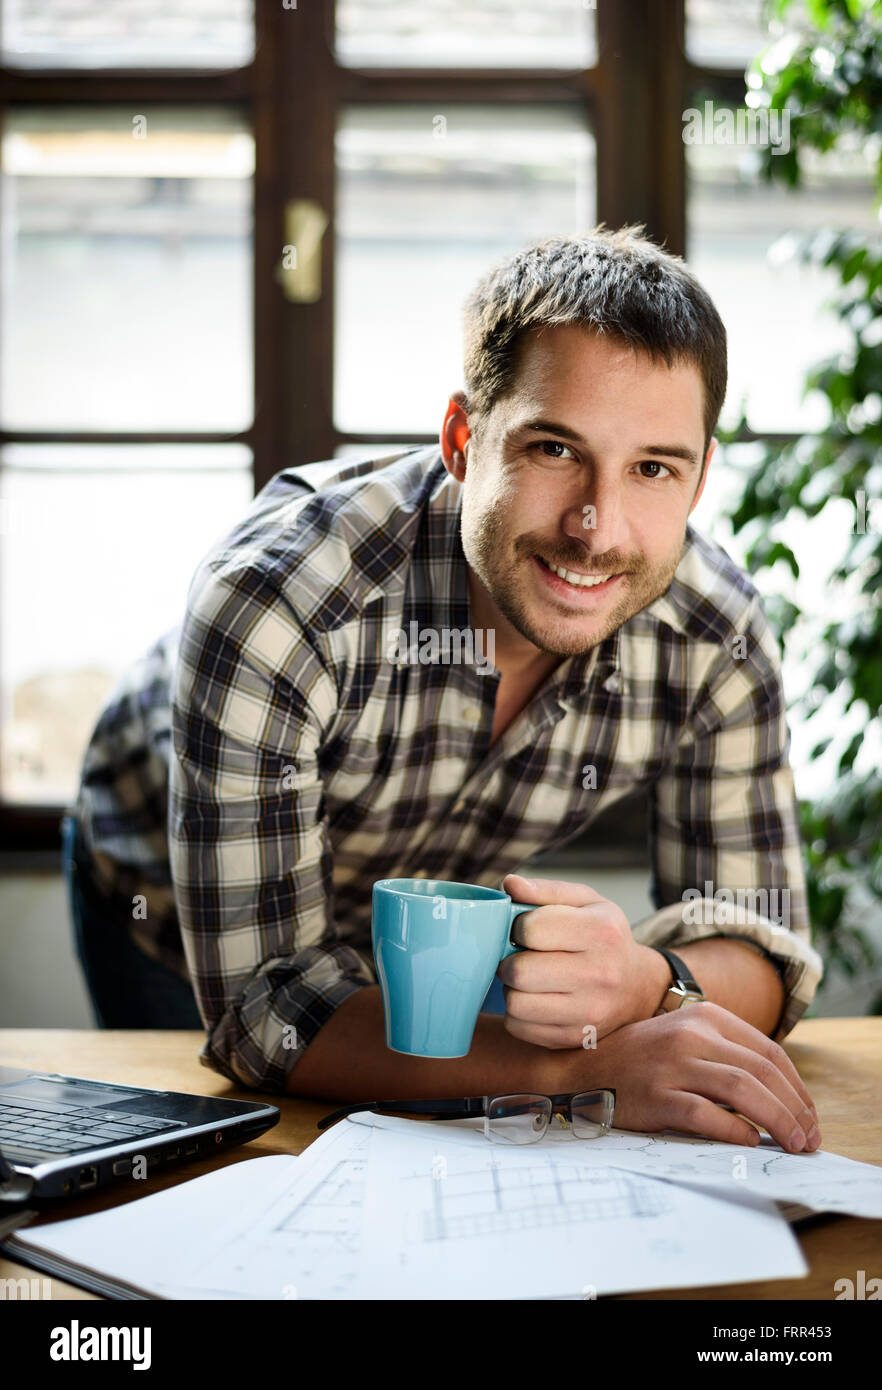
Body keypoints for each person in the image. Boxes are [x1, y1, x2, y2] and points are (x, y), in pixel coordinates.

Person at [66, 226, 823, 1153]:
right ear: (464, 440)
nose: (596, 528)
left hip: (418, 949)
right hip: (171, 903)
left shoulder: (717, 635)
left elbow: (760, 936)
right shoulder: (282, 598)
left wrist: (648, 980)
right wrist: (584, 1071)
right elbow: (267, 1012)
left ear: (701, 476)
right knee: (201, 1179)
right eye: (553, 449)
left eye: (653, 468)